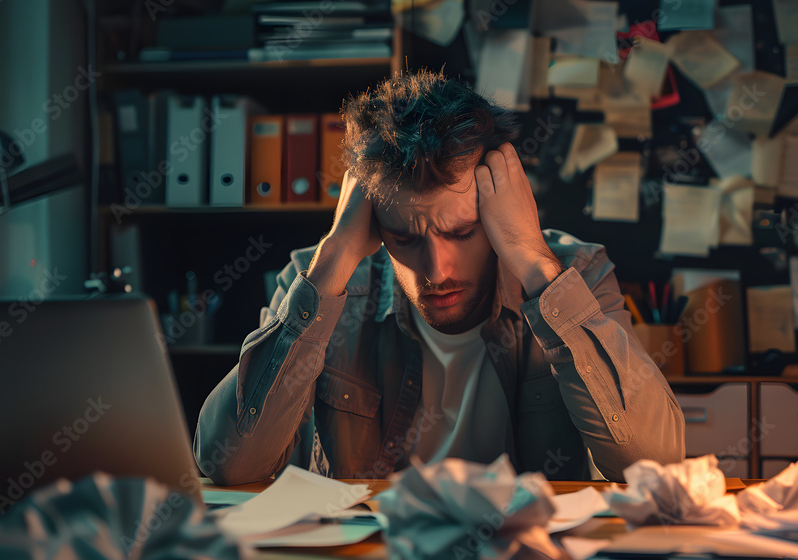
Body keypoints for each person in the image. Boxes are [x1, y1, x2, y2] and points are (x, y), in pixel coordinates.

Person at [195, 70, 684, 484]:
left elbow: (656, 463)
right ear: (374, 224)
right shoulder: (319, 280)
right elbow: (229, 466)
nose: (437, 271)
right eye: (405, 238)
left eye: (463, 231)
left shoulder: (575, 274)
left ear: (502, 202)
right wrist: (335, 253)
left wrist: (534, 261)